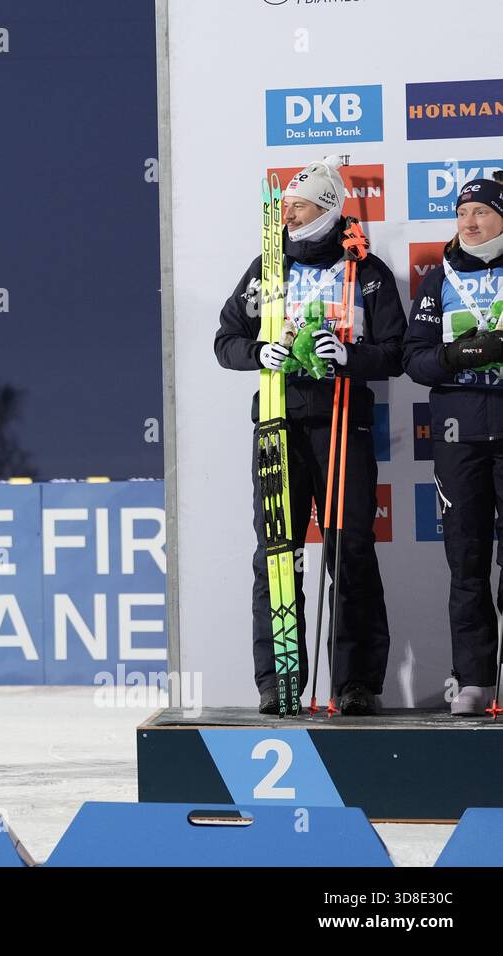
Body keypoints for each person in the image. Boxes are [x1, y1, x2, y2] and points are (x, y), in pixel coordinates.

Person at [214, 157, 407, 715]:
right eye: (283, 206)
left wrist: (351, 356)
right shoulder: (266, 269)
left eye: (297, 206)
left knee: (351, 552)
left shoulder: (365, 271)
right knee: (276, 556)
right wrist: (258, 353)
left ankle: (356, 684)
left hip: (344, 423)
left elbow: (396, 354)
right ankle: (279, 680)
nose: (286, 215)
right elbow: (226, 339)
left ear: (327, 210)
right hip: (279, 425)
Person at [403, 174, 503, 715]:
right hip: (457, 437)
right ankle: (474, 679)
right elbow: (412, 359)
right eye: (462, 212)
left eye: (481, 212)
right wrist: (458, 356)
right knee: (465, 565)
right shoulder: (439, 280)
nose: (469, 221)